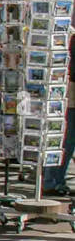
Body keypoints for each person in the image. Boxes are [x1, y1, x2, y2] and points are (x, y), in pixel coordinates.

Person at [42, 33, 75, 195]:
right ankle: (52, 180)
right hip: (70, 96)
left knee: (66, 139)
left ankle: (54, 179)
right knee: (65, 139)